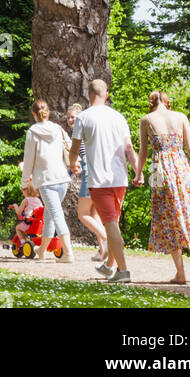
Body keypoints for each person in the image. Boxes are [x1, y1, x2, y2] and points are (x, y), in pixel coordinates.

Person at [133, 90, 190, 284]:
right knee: (187, 210)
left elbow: (143, 152)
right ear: (168, 102)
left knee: (169, 217)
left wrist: (139, 173)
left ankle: (180, 273)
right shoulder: (181, 117)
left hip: (161, 170)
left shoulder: (146, 120)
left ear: (151, 102)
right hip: (182, 168)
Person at [68, 78, 138, 284]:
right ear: (106, 95)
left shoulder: (83, 117)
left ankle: (123, 271)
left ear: (89, 95)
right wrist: (138, 172)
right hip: (120, 179)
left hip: (99, 180)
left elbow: (74, 148)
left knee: (110, 226)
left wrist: (72, 163)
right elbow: (129, 148)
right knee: (112, 223)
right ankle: (109, 267)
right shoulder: (119, 117)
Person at [21, 99, 74, 262]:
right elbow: (70, 145)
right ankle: (42, 251)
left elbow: (28, 160)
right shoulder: (57, 129)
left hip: (45, 180)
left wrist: (24, 183)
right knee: (51, 215)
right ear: (48, 111)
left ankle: (68, 253)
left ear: (34, 114)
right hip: (62, 178)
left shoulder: (33, 132)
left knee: (56, 215)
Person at [66, 102, 107, 262]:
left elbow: (81, 155)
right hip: (95, 172)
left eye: (73, 117)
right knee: (94, 213)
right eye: (68, 117)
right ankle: (103, 250)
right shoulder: (84, 131)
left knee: (83, 214)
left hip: (89, 172)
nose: (70, 120)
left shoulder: (80, 132)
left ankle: (107, 239)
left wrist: (75, 166)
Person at [10, 181, 42, 246]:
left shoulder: (26, 200)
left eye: (23, 190)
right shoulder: (38, 200)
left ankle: (23, 243)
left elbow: (19, 212)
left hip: (30, 224)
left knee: (18, 228)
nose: (22, 192)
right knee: (27, 228)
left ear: (26, 191)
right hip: (39, 224)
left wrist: (16, 206)